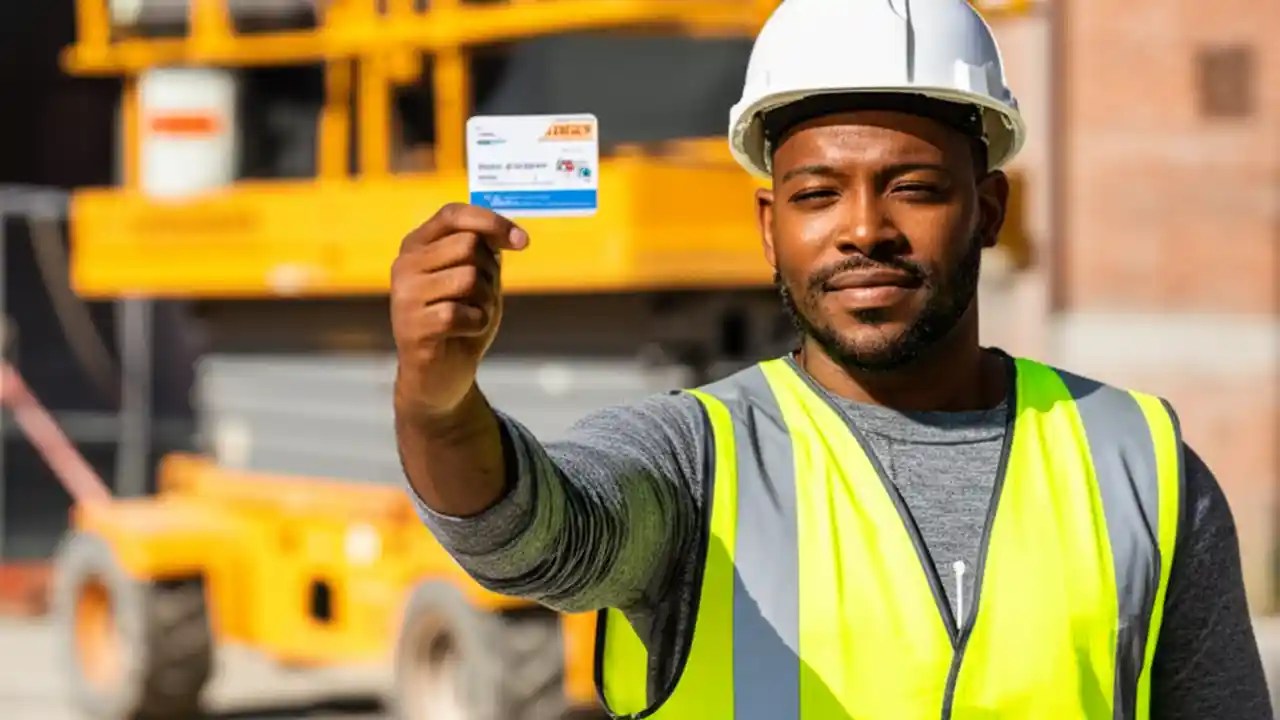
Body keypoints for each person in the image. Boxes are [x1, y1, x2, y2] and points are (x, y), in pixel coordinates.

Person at [389, 0, 1273, 717]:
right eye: (818, 194)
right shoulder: (696, 461)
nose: (863, 230)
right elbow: (531, 539)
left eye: (914, 187)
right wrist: (436, 405)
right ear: (771, 231)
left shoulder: (1137, 463)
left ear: (990, 208)